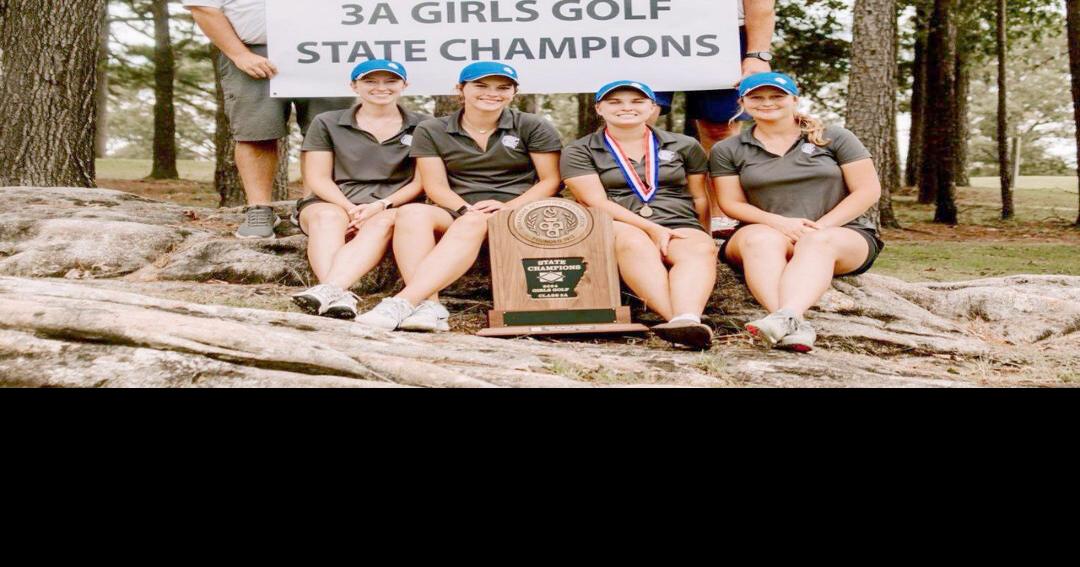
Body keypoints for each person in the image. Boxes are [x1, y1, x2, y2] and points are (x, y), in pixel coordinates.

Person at [354, 62, 563, 332]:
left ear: (514, 93)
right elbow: (435, 186)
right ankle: (430, 307)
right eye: (481, 86)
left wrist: (506, 207)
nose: (492, 93)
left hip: (516, 212)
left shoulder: (532, 125)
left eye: (503, 87)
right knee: (412, 212)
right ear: (460, 89)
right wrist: (465, 208)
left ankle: (402, 301)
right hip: (458, 209)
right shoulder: (432, 129)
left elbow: (550, 181)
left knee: (473, 222)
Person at [710, 72, 884, 352]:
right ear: (743, 102)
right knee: (760, 239)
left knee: (817, 242)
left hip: (839, 233)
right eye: (757, 97)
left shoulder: (834, 137)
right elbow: (731, 203)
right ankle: (793, 321)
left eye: (777, 96)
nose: (767, 103)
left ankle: (784, 318)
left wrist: (818, 228)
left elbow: (867, 190)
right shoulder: (728, 149)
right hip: (765, 230)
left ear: (794, 99)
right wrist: (780, 223)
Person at [563, 81, 717, 350]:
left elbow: (699, 196)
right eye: (615, 102)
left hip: (677, 220)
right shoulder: (579, 150)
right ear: (599, 108)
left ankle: (686, 318)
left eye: (637, 101)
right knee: (633, 242)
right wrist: (651, 229)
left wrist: (703, 232)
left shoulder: (684, 144)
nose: (626, 108)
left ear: (653, 107)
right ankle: (680, 322)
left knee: (700, 248)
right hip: (618, 222)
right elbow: (595, 201)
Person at [183, 0, 353, 238]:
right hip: (253, 50)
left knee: (326, 132)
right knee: (256, 130)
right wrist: (239, 54)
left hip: (328, 48)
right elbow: (202, 7)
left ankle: (313, 206)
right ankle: (259, 209)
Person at [289, 60, 432, 319]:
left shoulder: (424, 125)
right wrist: (351, 209)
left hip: (393, 205)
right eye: (370, 81)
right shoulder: (327, 121)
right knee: (327, 217)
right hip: (335, 201)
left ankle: (330, 290)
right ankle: (336, 295)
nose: (381, 88)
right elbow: (318, 178)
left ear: (404, 85)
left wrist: (380, 206)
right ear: (354, 86)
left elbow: (421, 182)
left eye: (390, 81)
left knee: (386, 222)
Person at [653, 0, 776, 238]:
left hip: (721, 30)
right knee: (634, 115)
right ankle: (637, 209)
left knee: (720, 127)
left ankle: (721, 215)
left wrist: (758, 54)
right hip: (641, 28)